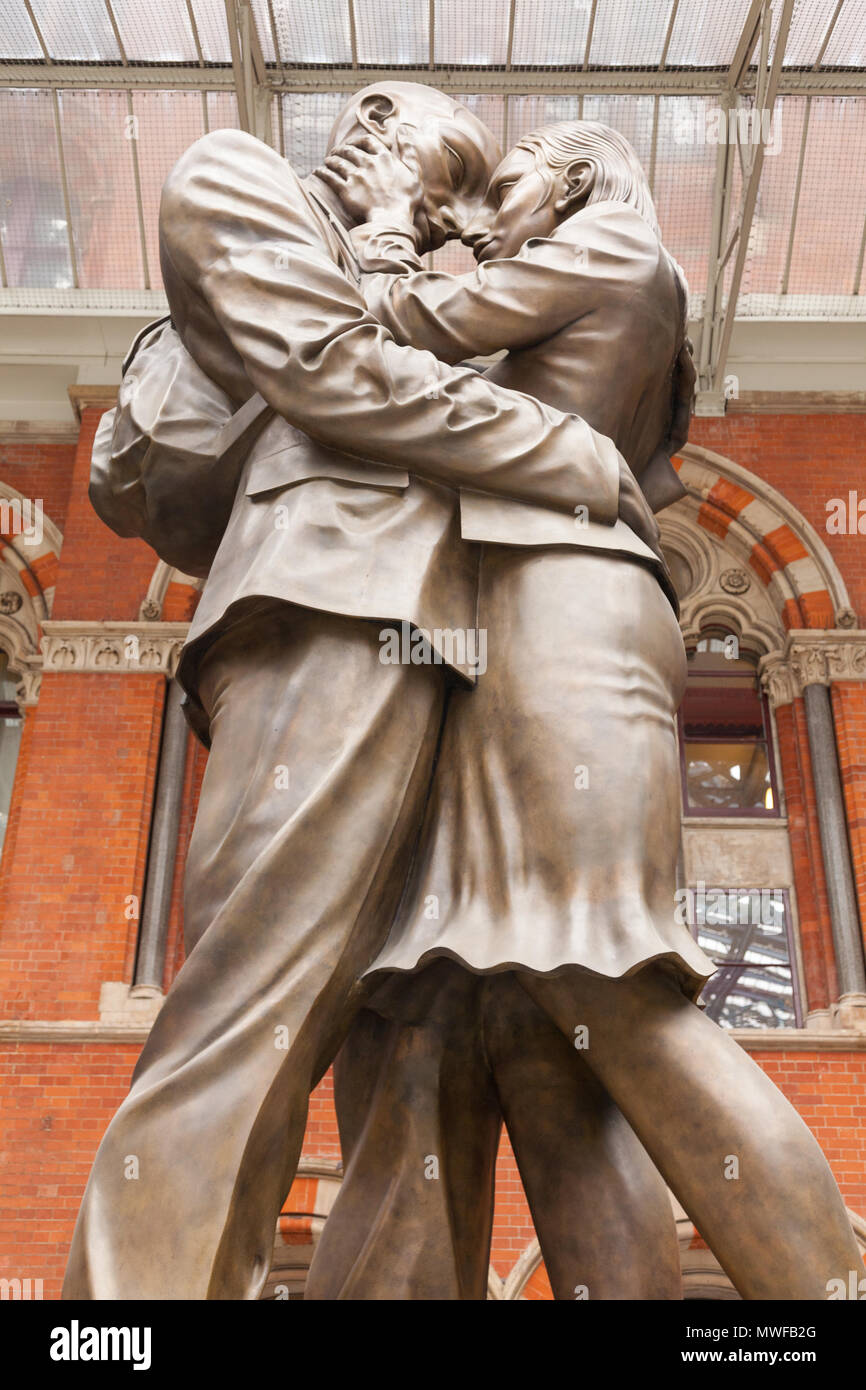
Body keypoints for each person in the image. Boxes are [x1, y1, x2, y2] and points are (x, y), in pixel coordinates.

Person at [64, 88, 657, 1302]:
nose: (374, 133)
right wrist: (573, 459)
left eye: (426, 160)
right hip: (330, 617)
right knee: (247, 1011)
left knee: (416, 1052)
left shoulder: (444, 303)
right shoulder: (241, 182)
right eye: (378, 118)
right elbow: (300, 392)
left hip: (457, 662)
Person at [308, 121, 863, 1301]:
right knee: (483, 1014)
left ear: (565, 178)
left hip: (556, 615)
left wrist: (388, 230)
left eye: (506, 187)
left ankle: (826, 1286)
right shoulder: (571, 286)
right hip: (497, 630)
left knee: (597, 972)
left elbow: (399, 340)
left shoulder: (612, 243)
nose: (489, 213)